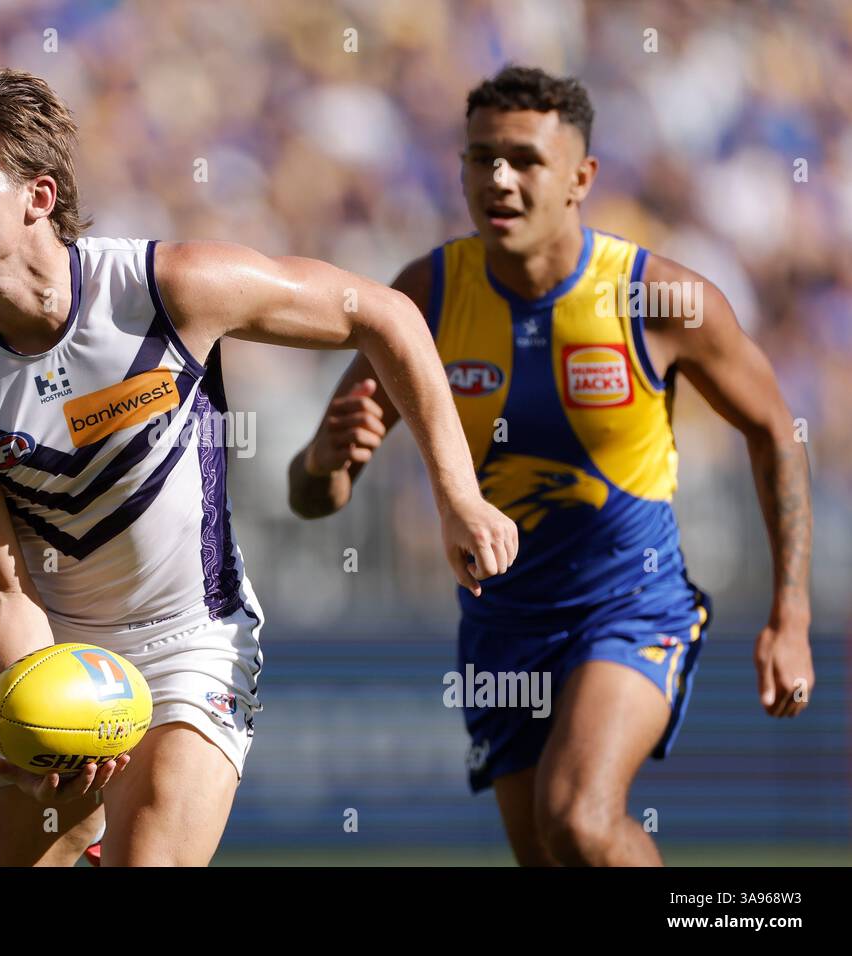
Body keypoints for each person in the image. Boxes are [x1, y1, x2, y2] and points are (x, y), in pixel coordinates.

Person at [0, 63, 517, 866]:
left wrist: (458, 495)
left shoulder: (169, 288)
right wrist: (51, 704)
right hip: (46, 647)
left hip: (191, 638)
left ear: (38, 198)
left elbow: (385, 316)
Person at [288, 65, 815, 866]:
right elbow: (315, 498)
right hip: (500, 631)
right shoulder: (424, 297)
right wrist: (326, 457)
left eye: (525, 160)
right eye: (480, 158)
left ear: (581, 177)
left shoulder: (657, 298)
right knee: (549, 852)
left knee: (577, 819)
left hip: (632, 608)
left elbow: (777, 429)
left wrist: (791, 613)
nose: (498, 179)